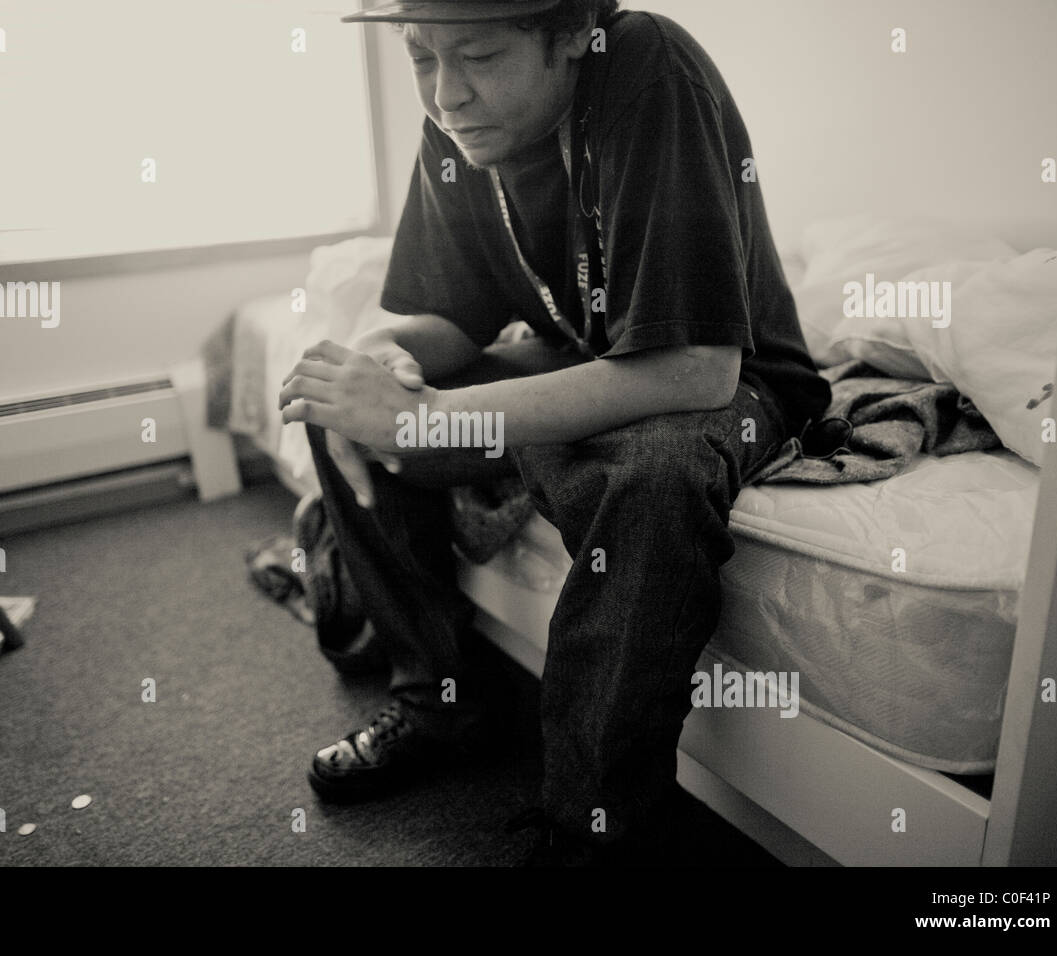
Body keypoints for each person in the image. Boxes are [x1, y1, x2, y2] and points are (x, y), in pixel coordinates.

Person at [277, 0, 830, 865]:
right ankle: (441, 700)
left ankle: (593, 824)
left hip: (735, 373)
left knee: (652, 474)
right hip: (578, 353)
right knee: (332, 393)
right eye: (420, 59)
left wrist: (428, 418)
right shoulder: (458, 127)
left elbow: (696, 372)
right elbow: (455, 323)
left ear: (573, 34)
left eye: (480, 56)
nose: (446, 93)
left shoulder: (645, 67)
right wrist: (376, 361)